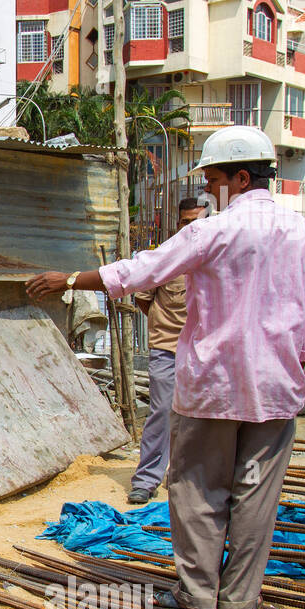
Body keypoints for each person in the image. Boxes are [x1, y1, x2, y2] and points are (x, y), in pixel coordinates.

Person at [27, 125, 305, 609]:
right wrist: (290, 365)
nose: (208, 188)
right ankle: (238, 602)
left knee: (197, 492)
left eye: (212, 178)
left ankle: (197, 594)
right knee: (256, 498)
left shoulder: (213, 231)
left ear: (241, 176)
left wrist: (73, 278)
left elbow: (144, 269)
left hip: (214, 388)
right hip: (276, 392)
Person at [127, 197, 209, 504]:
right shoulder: (165, 257)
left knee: (202, 417)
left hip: (205, 352)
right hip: (167, 348)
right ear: (178, 224)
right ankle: (147, 479)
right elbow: (143, 298)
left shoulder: (213, 257)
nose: (191, 227)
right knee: (162, 412)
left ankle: (188, 477)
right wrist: (167, 327)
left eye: (197, 221)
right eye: (185, 221)